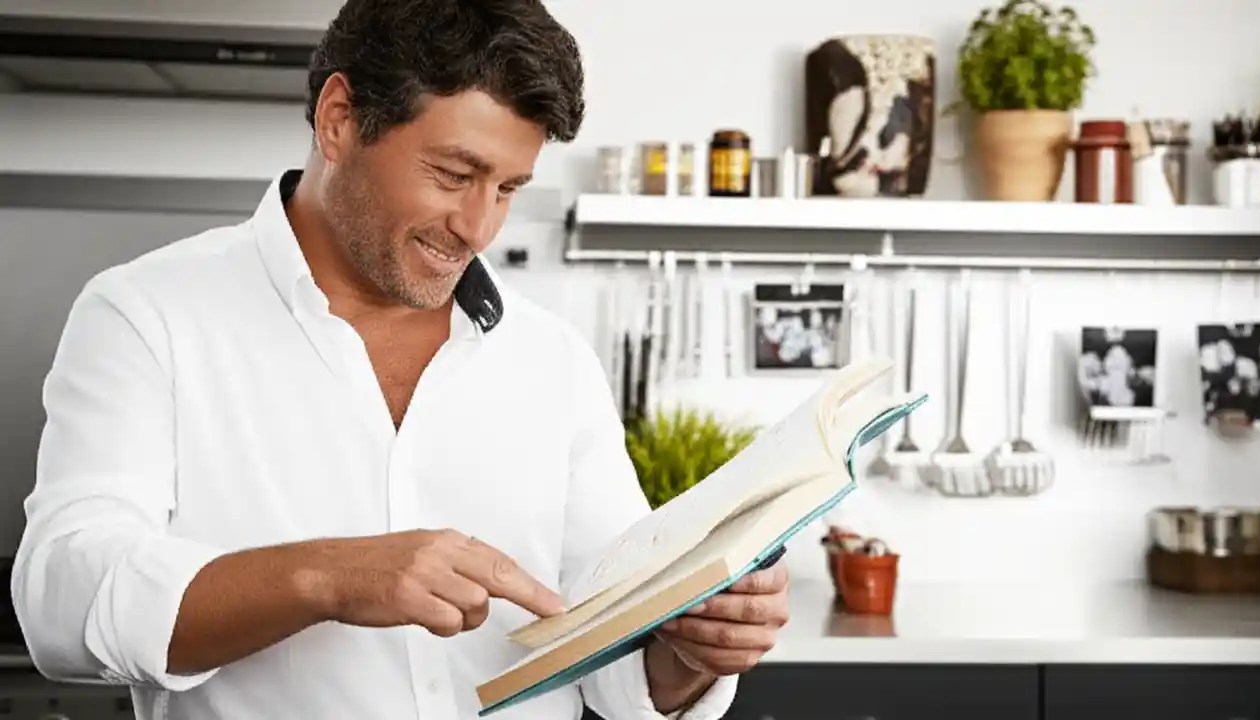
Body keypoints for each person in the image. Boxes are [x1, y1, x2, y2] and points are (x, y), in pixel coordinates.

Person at [10, 1, 790, 718]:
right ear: (339, 119)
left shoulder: (553, 360)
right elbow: (60, 605)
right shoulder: (147, 316)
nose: (479, 227)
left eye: (508, 188)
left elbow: (611, 661)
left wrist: (686, 654)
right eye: (454, 175)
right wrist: (329, 577)